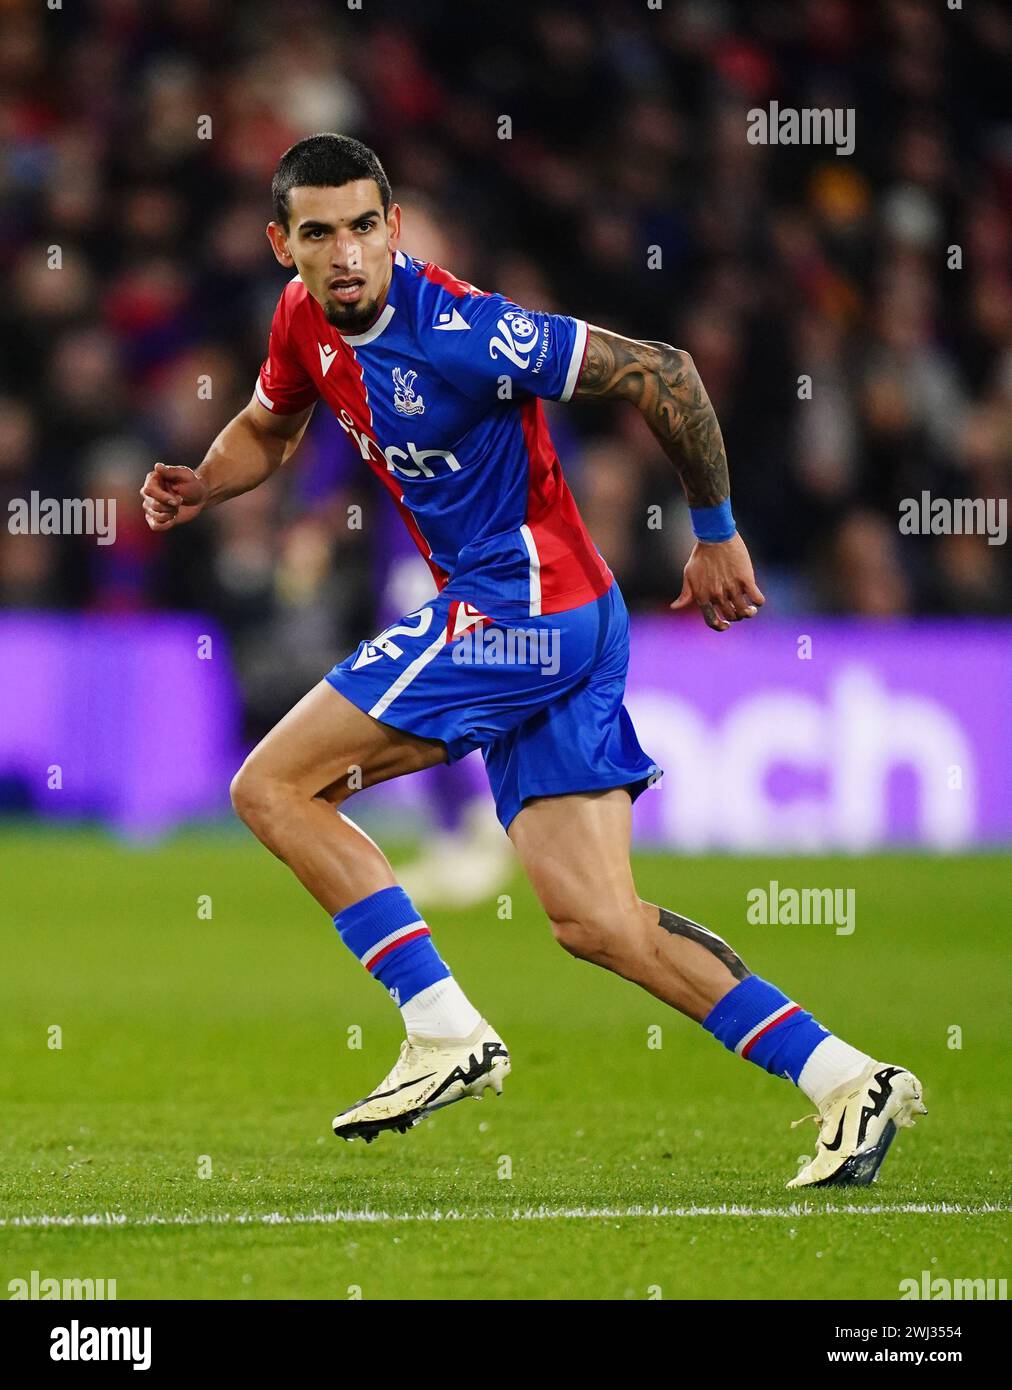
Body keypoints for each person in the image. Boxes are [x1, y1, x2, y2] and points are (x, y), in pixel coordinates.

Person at [140, 134, 925, 1187]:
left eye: (365, 227)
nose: (345, 253)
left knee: (272, 784)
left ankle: (442, 1027)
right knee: (597, 921)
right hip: (564, 618)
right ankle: (846, 1077)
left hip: (527, 611)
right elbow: (269, 430)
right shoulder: (300, 322)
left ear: (395, 230)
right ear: (283, 244)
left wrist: (718, 530)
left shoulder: (466, 330)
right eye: (319, 232)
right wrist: (202, 481)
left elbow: (664, 372)